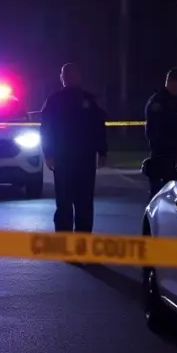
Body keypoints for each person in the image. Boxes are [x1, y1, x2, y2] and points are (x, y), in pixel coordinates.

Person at [40, 63, 108, 233]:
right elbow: (99, 127)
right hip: (81, 157)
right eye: (65, 75)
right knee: (81, 201)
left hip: (66, 157)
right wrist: (102, 151)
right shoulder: (87, 100)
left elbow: (46, 129)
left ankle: (67, 242)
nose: (66, 78)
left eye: (67, 75)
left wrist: (48, 153)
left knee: (65, 200)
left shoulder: (55, 100)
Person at [143, 67, 177, 204]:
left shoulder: (174, 102)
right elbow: (155, 132)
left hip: (173, 158)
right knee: (159, 200)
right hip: (162, 158)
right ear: (171, 82)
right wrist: (176, 144)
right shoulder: (159, 103)